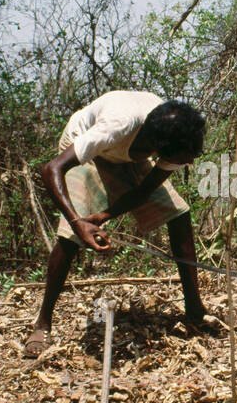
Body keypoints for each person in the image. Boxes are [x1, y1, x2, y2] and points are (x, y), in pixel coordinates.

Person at [23, 91, 209, 357]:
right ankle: (42, 324)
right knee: (71, 236)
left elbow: (145, 189)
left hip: (127, 156)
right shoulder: (116, 126)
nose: (189, 162)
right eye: (185, 157)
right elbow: (51, 169)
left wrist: (107, 214)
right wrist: (78, 222)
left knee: (179, 214)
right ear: (160, 148)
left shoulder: (175, 135)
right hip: (81, 147)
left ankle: (195, 310)